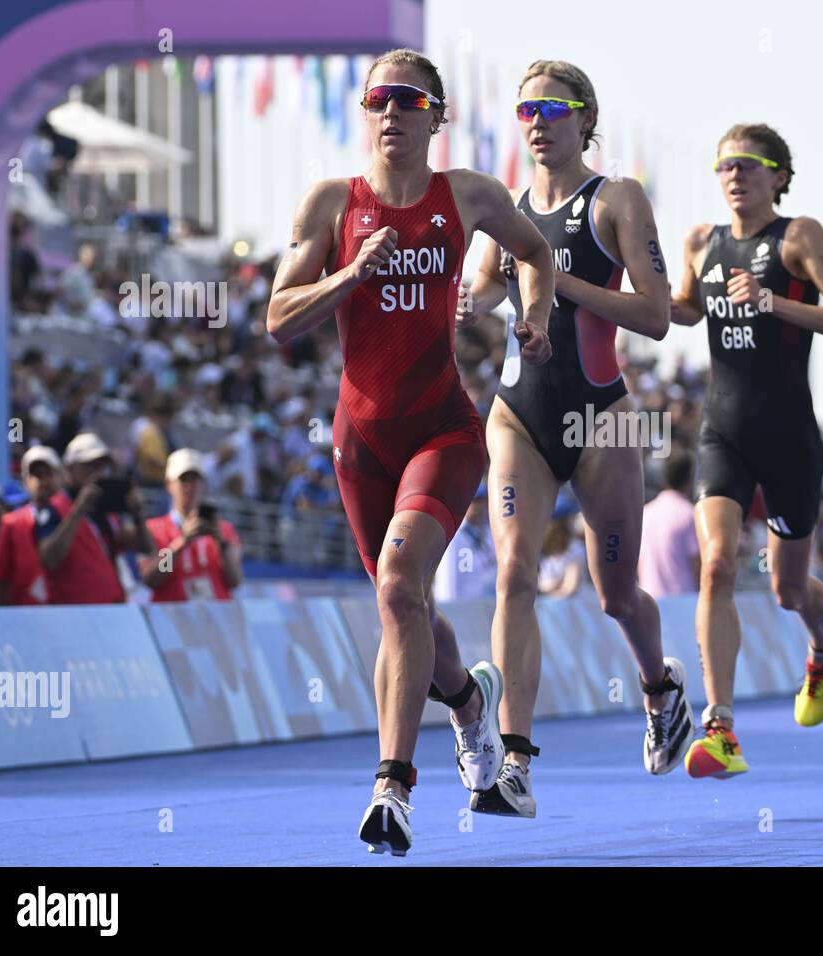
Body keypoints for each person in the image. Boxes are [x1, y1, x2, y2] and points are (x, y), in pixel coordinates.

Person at [267, 48, 555, 856]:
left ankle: (392, 789)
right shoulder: (333, 203)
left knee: (398, 585)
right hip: (360, 445)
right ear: (366, 115)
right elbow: (278, 317)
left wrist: (535, 319)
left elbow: (534, 253)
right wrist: (351, 274)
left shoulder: (466, 195)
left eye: (407, 100)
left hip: (443, 431)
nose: (391, 113)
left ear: (437, 114)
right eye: (378, 101)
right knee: (408, 609)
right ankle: (469, 704)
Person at [460, 59, 691, 817]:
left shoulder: (617, 198)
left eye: (554, 107)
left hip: (603, 417)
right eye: (527, 109)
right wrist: (480, 297)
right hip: (520, 411)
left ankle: (660, 688)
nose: (537, 120)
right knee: (514, 574)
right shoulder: (505, 204)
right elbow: (488, 285)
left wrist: (553, 280)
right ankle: (515, 763)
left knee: (615, 594)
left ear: (585, 119)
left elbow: (657, 314)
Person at [668, 123, 823, 778]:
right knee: (718, 563)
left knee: (787, 589)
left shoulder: (798, 236)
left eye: (750, 164)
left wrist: (776, 301)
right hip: (722, 430)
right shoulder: (701, 240)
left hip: (790, 439)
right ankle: (720, 729)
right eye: (724, 164)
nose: (735, 174)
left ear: (779, 175)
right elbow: (682, 311)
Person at [35, 433, 154, 605]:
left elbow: (146, 547)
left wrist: (137, 516)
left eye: (101, 466)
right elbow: (49, 559)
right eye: (88, 466)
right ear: (69, 470)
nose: (97, 474)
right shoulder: (54, 508)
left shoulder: (107, 511)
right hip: (73, 614)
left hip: (109, 610)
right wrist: (78, 511)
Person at [140, 449, 243, 602]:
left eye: (195, 480)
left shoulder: (224, 529)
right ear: (169, 484)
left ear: (204, 485)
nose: (190, 486)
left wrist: (221, 543)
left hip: (214, 619)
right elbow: (152, 580)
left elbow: (234, 581)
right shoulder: (153, 528)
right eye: (183, 479)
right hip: (172, 620)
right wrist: (181, 543)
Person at [0, 455, 55, 606]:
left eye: (21, 504)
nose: (17, 511)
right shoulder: (3, 531)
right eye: (9, 508)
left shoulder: (58, 519)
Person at [637, 451, 700, 598]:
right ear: (690, 479)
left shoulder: (645, 513)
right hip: (684, 604)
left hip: (650, 602)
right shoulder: (690, 514)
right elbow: (697, 566)